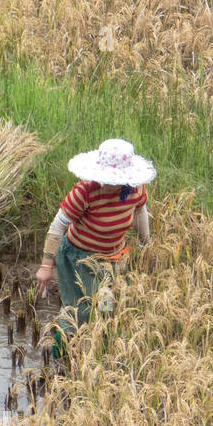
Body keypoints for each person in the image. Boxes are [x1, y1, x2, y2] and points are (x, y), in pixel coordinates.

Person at [36, 138, 156, 358]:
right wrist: (46, 266)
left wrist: (144, 243)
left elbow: (140, 212)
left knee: (108, 307)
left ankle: (100, 354)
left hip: (114, 258)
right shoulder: (85, 192)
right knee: (80, 310)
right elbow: (57, 227)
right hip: (79, 259)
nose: (110, 183)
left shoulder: (135, 189)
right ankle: (60, 356)